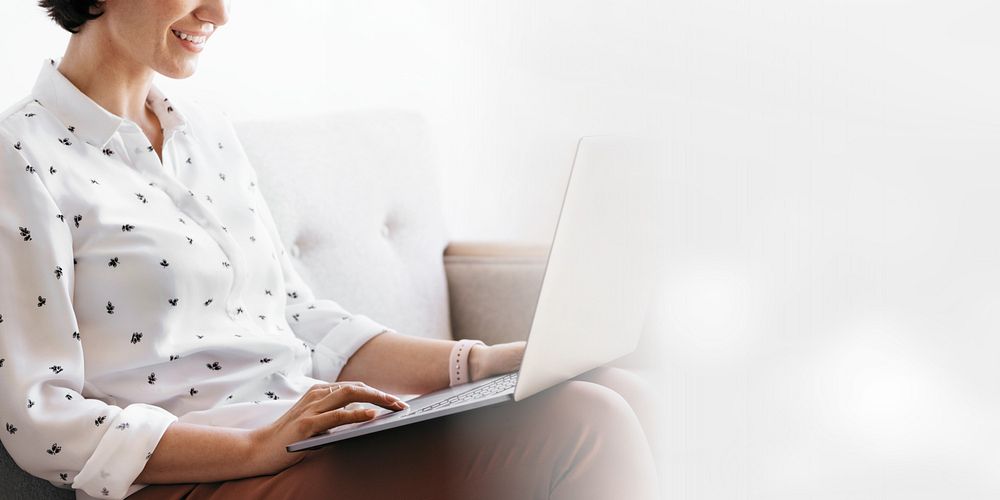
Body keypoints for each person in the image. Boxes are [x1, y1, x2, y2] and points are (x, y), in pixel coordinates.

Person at [0, 1, 660, 499]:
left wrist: (481, 363)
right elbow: (42, 419)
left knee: (619, 387)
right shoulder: (23, 159)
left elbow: (299, 316)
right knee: (586, 420)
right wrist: (255, 447)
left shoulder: (203, 131)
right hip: (198, 475)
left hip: (309, 427)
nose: (220, 14)